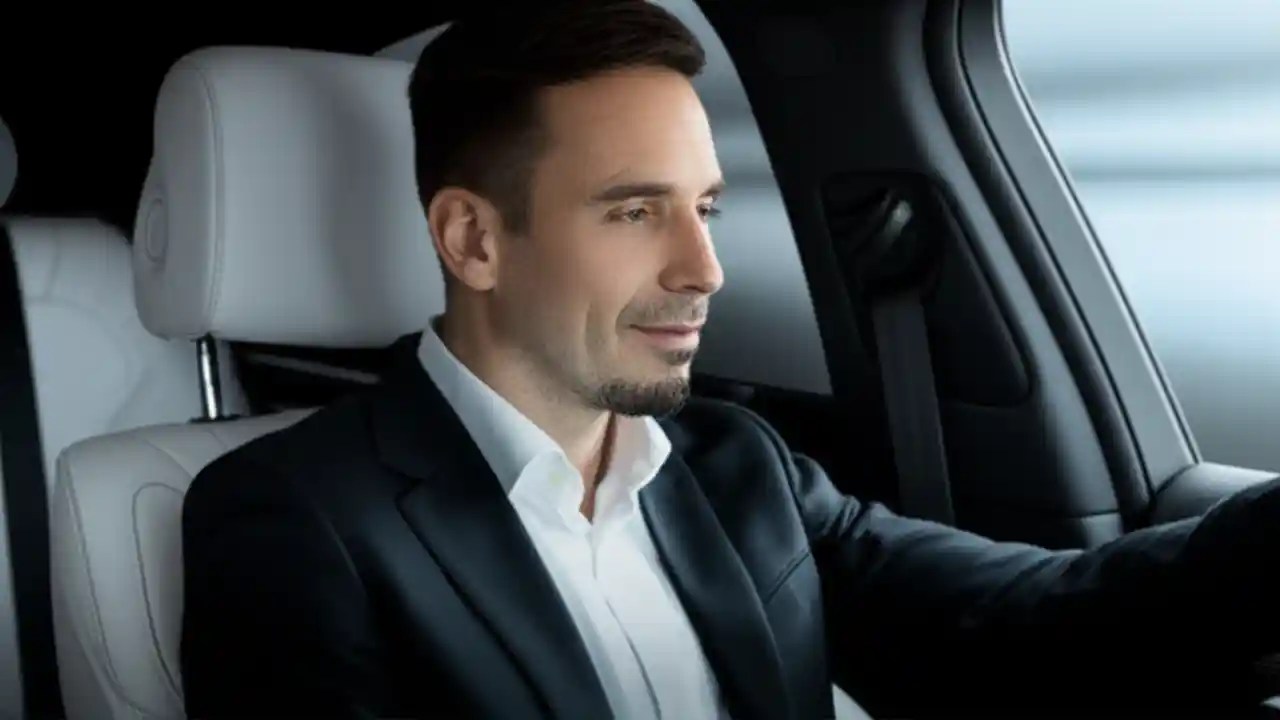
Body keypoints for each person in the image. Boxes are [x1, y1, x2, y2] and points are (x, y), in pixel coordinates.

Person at [178, 2, 1280, 718]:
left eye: (704, 206)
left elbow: (1035, 618)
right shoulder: (291, 519)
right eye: (632, 212)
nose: (704, 267)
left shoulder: (732, 463)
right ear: (472, 238)